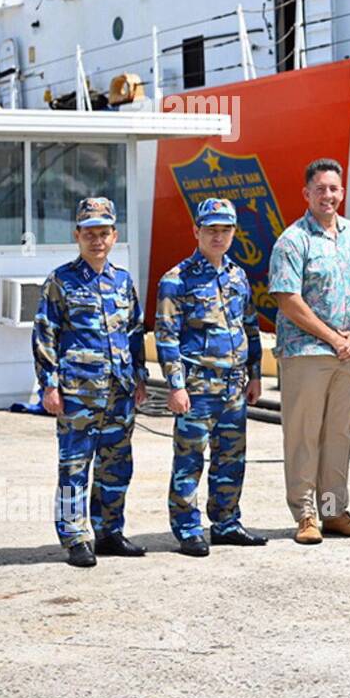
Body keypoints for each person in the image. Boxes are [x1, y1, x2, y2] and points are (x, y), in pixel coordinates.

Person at [32, 197, 149, 568]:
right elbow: (45, 334)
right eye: (89, 234)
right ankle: (75, 537)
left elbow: (135, 333)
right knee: (74, 467)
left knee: (116, 465)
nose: (96, 240)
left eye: (103, 233)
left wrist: (141, 378)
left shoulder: (123, 281)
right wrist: (49, 385)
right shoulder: (60, 280)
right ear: (77, 236)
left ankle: (109, 530)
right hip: (78, 393)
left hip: (119, 391)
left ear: (114, 236)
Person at [268, 158, 350, 545]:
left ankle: (332, 511)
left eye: (333, 188)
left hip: (349, 354)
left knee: (338, 435)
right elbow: (287, 299)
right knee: (303, 435)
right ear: (307, 194)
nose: (327, 195)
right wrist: (333, 337)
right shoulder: (293, 240)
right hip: (306, 353)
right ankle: (305, 515)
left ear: (342, 192)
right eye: (320, 189)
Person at [155, 197, 266, 556]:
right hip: (198, 386)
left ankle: (226, 522)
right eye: (211, 230)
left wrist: (255, 374)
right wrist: (175, 386)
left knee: (231, 458)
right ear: (196, 232)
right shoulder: (176, 280)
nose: (218, 237)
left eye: (225, 230)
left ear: (234, 232)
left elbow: (249, 326)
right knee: (189, 459)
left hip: (234, 385)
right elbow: (166, 336)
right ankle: (188, 528)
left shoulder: (237, 275)